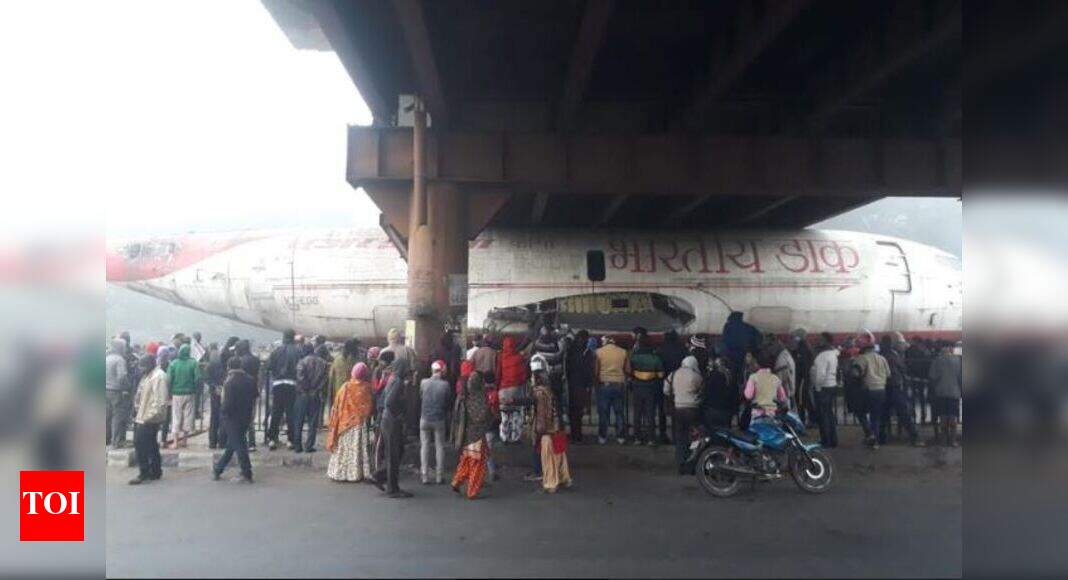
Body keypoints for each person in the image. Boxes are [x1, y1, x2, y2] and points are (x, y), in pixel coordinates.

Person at [212, 357, 259, 483]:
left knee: (239, 445)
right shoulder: (250, 379)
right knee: (234, 443)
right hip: (246, 416)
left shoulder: (229, 382)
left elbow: (228, 404)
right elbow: (255, 397)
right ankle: (218, 468)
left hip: (232, 418)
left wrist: (222, 411)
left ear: (229, 367)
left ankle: (246, 471)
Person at [326, 362, 375, 482]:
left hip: (344, 423)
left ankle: (339, 473)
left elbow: (336, 406)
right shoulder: (367, 388)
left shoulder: (345, 387)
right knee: (358, 449)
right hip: (359, 424)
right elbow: (369, 407)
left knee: (343, 449)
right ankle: (357, 474)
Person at [374, 359, 413, 498]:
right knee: (393, 455)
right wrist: (399, 413)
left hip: (387, 419)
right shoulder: (397, 381)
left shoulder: (392, 379)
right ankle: (392, 488)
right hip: (392, 420)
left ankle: (380, 476)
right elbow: (389, 402)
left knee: (396, 452)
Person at [532, 363, 573, 493]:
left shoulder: (539, 393)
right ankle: (563, 478)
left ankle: (551, 483)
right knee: (560, 456)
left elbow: (542, 415)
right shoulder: (550, 391)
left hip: (547, 431)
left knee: (548, 458)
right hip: (558, 428)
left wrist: (539, 431)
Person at [451, 371, 492, 499]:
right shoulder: (479, 397)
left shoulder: (463, 396)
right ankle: (472, 491)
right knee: (477, 464)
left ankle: (456, 481)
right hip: (477, 435)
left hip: (465, 434)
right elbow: (481, 416)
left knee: (466, 460)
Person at [129, 354, 168, 485]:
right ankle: (156, 471)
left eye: (143, 366)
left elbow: (160, 401)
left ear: (150, 364)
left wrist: (148, 417)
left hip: (148, 418)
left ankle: (144, 472)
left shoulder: (159, 377)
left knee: (140, 444)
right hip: (143, 415)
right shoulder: (148, 375)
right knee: (151, 445)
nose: (141, 369)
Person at [880, 334, 924, 447]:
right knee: (903, 413)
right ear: (891, 344)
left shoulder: (880, 355)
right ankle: (914, 437)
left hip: (884, 387)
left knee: (883, 414)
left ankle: (882, 438)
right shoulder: (894, 355)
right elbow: (902, 368)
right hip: (896, 386)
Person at [664, 355, 703, 474]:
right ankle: (692, 464)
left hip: (678, 409)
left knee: (680, 437)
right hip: (692, 410)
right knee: (694, 437)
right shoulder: (695, 375)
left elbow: (666, 390)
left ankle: (681, 464)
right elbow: (701, 389)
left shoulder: (673, 374)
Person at [266, 329, 302, 451]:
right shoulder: (298, 351)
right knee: (291, 413)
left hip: (277, 384)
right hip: (292, 384)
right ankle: (290, 440)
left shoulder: (276, 351)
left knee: (276, 412)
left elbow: (269, 366)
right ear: (293, 338)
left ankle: (272, 439)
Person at [852, 338, 890, 448]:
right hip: (881, 390)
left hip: (868, 390)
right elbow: (888, 374)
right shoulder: (882, 358)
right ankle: (876, 441)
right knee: (876, 416)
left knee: (860, 412)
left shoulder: (862, 358)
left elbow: (855, 373)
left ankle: (869, 434)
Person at [420, 360, 452, 484]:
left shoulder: (423, 382)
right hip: (439, 419)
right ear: (442, 370)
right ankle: (439, 476)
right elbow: (447, 400)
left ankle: (424, 476)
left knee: (425, 446)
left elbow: (421, 396)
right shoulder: (445, 385)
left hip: (424, 418)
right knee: (440, 447)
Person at [628, 334, 664, 446]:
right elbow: (661, 374)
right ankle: (651, 439)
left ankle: (637, 438)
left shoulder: (633, 357)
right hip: (651, 388)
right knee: (650, 414)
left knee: (637, 413)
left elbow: (629, 371)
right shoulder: (655, 358)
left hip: (637, 387)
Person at [294, 345, 330, 453]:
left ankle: (297, 446)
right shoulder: (323, 363)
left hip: (303, 395)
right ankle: (309, 446)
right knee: (313, 422)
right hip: (316, 395)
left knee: (299, 421)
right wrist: (315, 389)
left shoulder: (302, 362)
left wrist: (306, 389)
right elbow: (324, 380)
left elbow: (300, 377)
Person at [595, 336, 629, 444]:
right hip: (619, 384)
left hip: (604, 384)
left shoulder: (598, 352)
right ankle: (620, 437)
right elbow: (628, 369)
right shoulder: (623, 352)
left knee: (604, 412)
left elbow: (596, 371)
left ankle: (602, 437)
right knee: (619, 412)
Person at [166, 343, 200, 449]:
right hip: (190, 393)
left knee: (176, 416)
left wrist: (169, 392)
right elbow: (198, 378)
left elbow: (168, 379)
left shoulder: (173, 364)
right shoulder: (193, 363)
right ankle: (184, 440)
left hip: (176, 394)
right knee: (188, 416)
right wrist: (194, 389)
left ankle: (175, 442)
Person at [928, 344, 962, 447]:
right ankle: (953, 441)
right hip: (954, 393)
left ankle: (943, 440)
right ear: (950, 350)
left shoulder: (937, 360)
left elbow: (932, 378)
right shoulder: (957, 360)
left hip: (941, 393)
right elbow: (961, 378)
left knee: (943, 417)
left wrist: (934, 389)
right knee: (953, 417)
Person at [564, 333, 596, 443]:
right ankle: (578, 436)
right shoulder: (587, 353)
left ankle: (574, 435)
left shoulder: (571, 352)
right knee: (578, 412)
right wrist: (589, 384)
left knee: (572, 412)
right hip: (581, 386)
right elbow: (589, 370)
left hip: (572, 385)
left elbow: (567, 368)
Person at [809, 332, 840, 448]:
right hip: (832, 386)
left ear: (826, 341)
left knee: (823, 416)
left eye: (820, 339)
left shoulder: (822, 356)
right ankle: (833, 440)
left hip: (823, 388)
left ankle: (826, 441)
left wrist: (817, 388)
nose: (818, 341)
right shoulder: (833, 354)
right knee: (829, 414)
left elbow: (820, 375)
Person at [496, 335, 528, 443]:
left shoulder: (501, 357)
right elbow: (523, 376)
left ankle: (504, 436)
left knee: (504, 415)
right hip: (516, 390)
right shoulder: (519, 358)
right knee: (516, 414)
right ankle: (515, 437)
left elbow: (498, 374)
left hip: (503, 390)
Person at [656, 330, 687, 444]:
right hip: (679, 381)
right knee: (676, 410)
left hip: (663, 382)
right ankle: (676, 436)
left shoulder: (661, 349)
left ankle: (663, 434)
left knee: (662, 410)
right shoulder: (682, 349)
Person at [723, 311, 762, 390]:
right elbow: (759, 337)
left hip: (731, 357)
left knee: (733, 377)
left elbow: (724, 341)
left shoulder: (727, 327)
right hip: (743, 356)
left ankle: (733, 392)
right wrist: (752, 348)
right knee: (743, 376)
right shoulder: (748, 327)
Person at [233, 339, 261, 451]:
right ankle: (252, 443)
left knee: (239, 417)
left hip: (240, 391)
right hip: (252, 390)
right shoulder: (255, 360)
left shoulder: (239, 361)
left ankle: (240, 441)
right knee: (250, 418)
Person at [105, 338, 130, 449]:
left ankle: (106, 440)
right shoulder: (120, 360)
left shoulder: (106, 358)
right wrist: (126, 388)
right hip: (116, 391)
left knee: (107, 416)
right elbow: (122, 376)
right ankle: (115, 442)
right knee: (117, 417)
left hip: (105, 390)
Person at [328, 339, 360, 421]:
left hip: (339, 393)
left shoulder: (337, 360)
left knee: (339, 418)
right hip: (352, 395)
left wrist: (331, 397)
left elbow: (331, 378)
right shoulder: (357, 361)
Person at [701, 356, 736, 430]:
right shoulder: (731, 377)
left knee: (711, 432)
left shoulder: (711, 376)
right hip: (726, 410)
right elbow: (734, 395)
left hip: (712, 408)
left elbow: (705, 392)